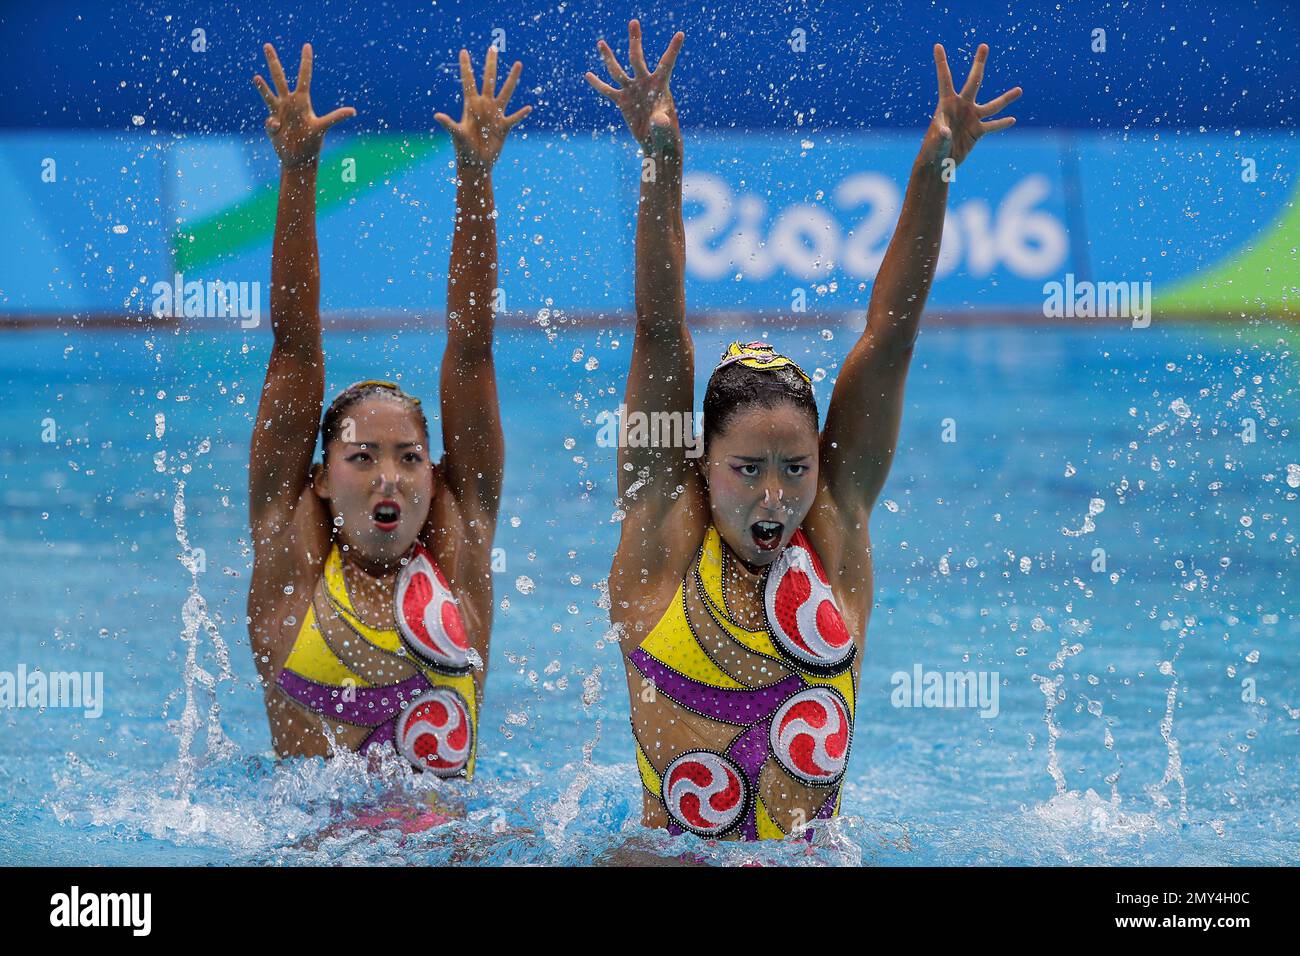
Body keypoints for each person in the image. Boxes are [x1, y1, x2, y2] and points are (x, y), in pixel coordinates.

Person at [588, 21, 1021, 839]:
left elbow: (888, 339)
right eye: (747, 468)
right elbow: (657, 330)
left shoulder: (833, 529)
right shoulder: (661, 528)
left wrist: (937, 168)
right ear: (698, 461)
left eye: (795, 467)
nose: (776, 494)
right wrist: (662, 157)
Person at [246, 41, 529, 780]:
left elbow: (471, 352)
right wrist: (297, 171)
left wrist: (475, 179)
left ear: (434, 475)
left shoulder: (458, 542)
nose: (389, 479)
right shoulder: (289, 554)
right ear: (318, 477)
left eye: (409, 458)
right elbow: (294, 351)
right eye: (361, 457)